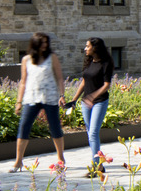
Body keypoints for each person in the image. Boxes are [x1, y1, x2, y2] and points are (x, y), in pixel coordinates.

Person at [9, 31, 65, 173]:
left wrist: (62, 95)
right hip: (31, 97)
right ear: (35, 44)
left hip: (50, 96)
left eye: (47, 42)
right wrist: (18, 101)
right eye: (42, 43)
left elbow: (59, 78)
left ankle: (61, 159)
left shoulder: (52, 58)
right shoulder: (26, 59)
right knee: (24, 127)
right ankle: (18, 161)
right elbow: (23, 81)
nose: (45, 45)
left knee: (54, 128)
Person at [67, 37, 114, 176]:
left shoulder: (106, 63)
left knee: (93, 133)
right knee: (90, 133)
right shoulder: (89, 61)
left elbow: (107, 85)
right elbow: (83, 82)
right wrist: (74, 100)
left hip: (99, 101)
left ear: (95, 47)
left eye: (87, 46)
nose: (85, 49)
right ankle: (99, 161)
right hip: (85, 102)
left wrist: (92, 97)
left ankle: (96, 167)